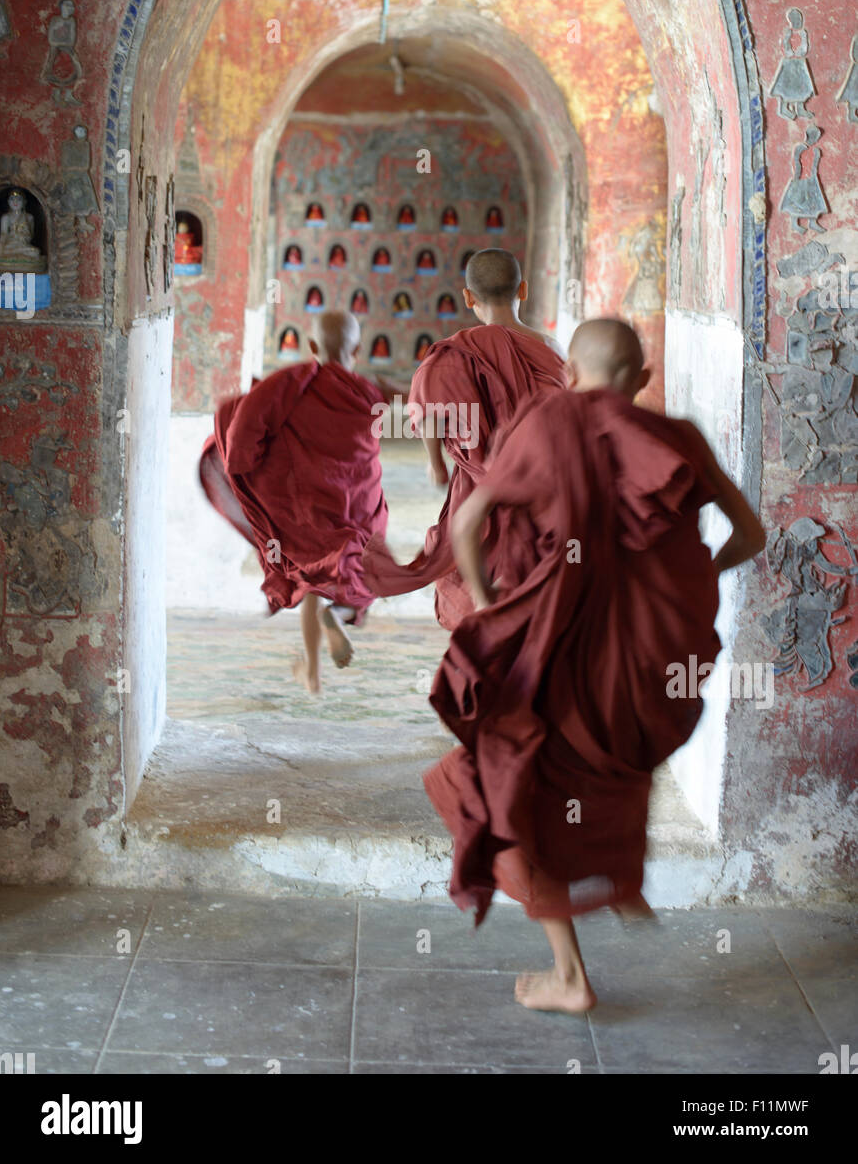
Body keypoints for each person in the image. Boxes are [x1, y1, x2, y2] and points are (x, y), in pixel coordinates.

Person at [425, 318, 765, 1013]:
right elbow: (748, 534)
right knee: (612, 768)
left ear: (571, 374)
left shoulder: (549, 425)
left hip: (554, 645)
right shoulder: (679, 439)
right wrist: (693, 577)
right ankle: (618, 881)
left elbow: (467, 524)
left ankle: (570, 975)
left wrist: (495, 616)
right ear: (640, 381)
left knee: (507, 780)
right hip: (643, 657)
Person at [363, 248, 566, 630]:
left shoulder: (453, 352)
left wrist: (436, 463)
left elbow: (428, 412)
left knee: (472, 570)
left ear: (468, 297)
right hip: (542, 486)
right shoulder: (551, 349)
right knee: (533, 576)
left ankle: (481, 642)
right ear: (523, 290)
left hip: (477, 485)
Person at [199, 312, 398, 695]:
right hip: (358, 501)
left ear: (311, 347)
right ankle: (336, 618)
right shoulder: (369, 389)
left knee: (311, 578)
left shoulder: (290, 384)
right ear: (357, 349)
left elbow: (243, 428)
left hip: (308, 509)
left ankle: (311, 671)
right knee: (363, 575)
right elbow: (421, 404)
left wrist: (248, 467)